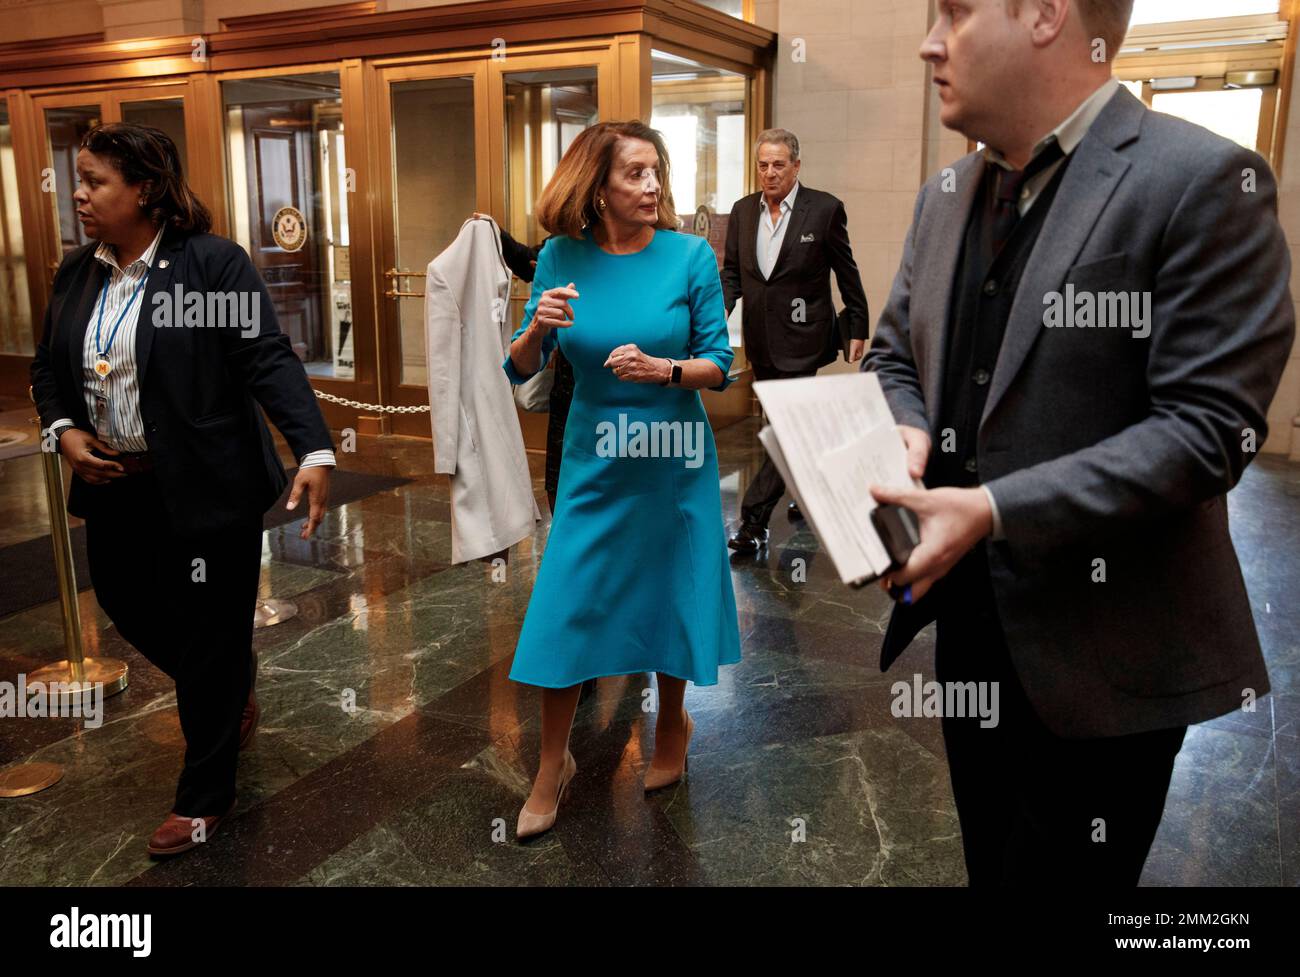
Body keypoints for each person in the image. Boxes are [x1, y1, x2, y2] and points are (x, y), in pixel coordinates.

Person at [863, 0, 1294, 885]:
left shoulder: (1204, 179)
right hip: (969, 632)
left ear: (1049, 15)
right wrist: (907, 424)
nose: (928, 42)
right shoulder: (943, 198)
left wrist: (991, 508)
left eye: (954, 12)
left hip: (1112, 654)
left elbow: (1210, 429)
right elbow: (891, 352)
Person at [30, 122, 335, 857]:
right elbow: (47, 371)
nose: (78, 193)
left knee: (209, 629)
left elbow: (266, 358)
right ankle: (228, 684)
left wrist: (314, 447)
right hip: (115, 486)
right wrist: (65, 430)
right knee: (126, 601)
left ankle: (203, 799)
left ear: (144, 189)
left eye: (95, 181)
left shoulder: (210, 267)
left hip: (208, 486)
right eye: (79, 178)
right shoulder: (79, 273)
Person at [503, 120, 740, 839]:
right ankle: (552, 764)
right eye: (635, 173)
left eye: (656, 171)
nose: (653, 186)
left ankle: (672, 722)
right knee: (565, 604)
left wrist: (663, 370)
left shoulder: (690, 257)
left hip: (672, 458)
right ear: (596, 186)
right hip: (594, 460)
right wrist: (537, 328)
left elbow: (719, 364)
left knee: (670, 594)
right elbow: (517, 368)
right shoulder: (559, 257)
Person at [721, 128, 871, 551]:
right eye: (763, 165)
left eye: (779, 165)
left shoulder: (823, 209)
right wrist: (715, 314)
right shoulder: (743, 210)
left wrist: (857, 324)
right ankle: (808, 491)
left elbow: (847, 271)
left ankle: (753, 522)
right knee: (784, 424)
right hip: (761, 338)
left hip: (804, 336)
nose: (769, 173)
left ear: (796, 166)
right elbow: (733, 273)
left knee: (786, 429)